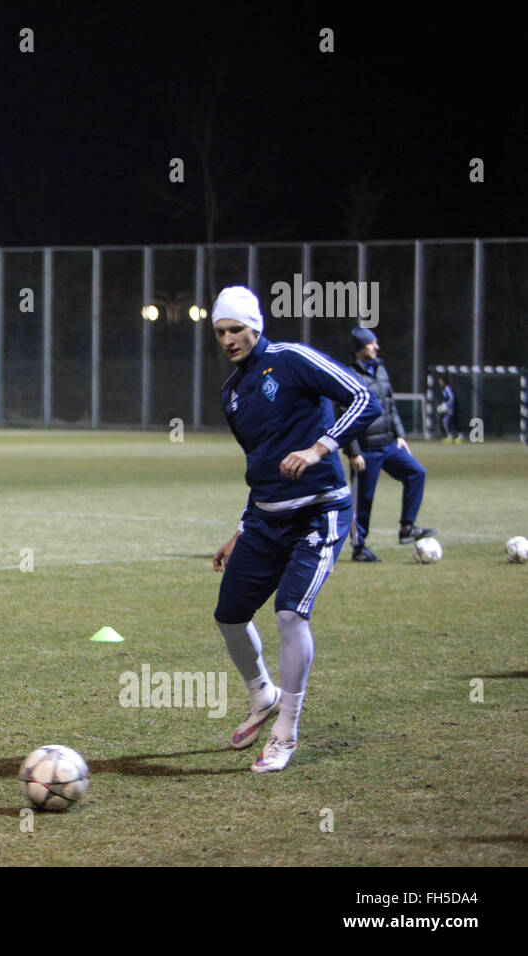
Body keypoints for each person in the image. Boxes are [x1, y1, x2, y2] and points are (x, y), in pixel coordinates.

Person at [210, 287, 381, 773]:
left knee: (290, 615)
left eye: (236, 329)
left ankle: (286, 730)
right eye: (220, 332)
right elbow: (259, 463)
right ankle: (262, 694)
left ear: (256, 327)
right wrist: (242, 528)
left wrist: (320, 448)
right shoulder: (231, 393)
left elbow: (364, 398)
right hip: (265, 519)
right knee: (229, 615)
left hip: (318, 511)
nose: (228, 339)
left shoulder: (292, 359)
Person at [340, 327, 435, 563]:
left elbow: (390, 405)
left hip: (389, 444)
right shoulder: (348, 375)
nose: (377, 347)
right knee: (363, 500)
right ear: (360, 348)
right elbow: (343, 415)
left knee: (416, 473)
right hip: (365, 450)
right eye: (372, 343)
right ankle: (359, 548)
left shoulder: (380, 369)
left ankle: (406, 527)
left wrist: (400, 435)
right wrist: (353, 452)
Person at [437, 374, 460, 443]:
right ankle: (451, 437)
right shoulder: (444, 389)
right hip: (450, 408)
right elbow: (446, 398)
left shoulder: (448, 388)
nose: (440, 382)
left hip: (453, 408)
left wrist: (446, 406)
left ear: (444, 381)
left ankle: (459, 437)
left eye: (441, 381)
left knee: (452, 422)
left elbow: (452, 398)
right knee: (447, 421)